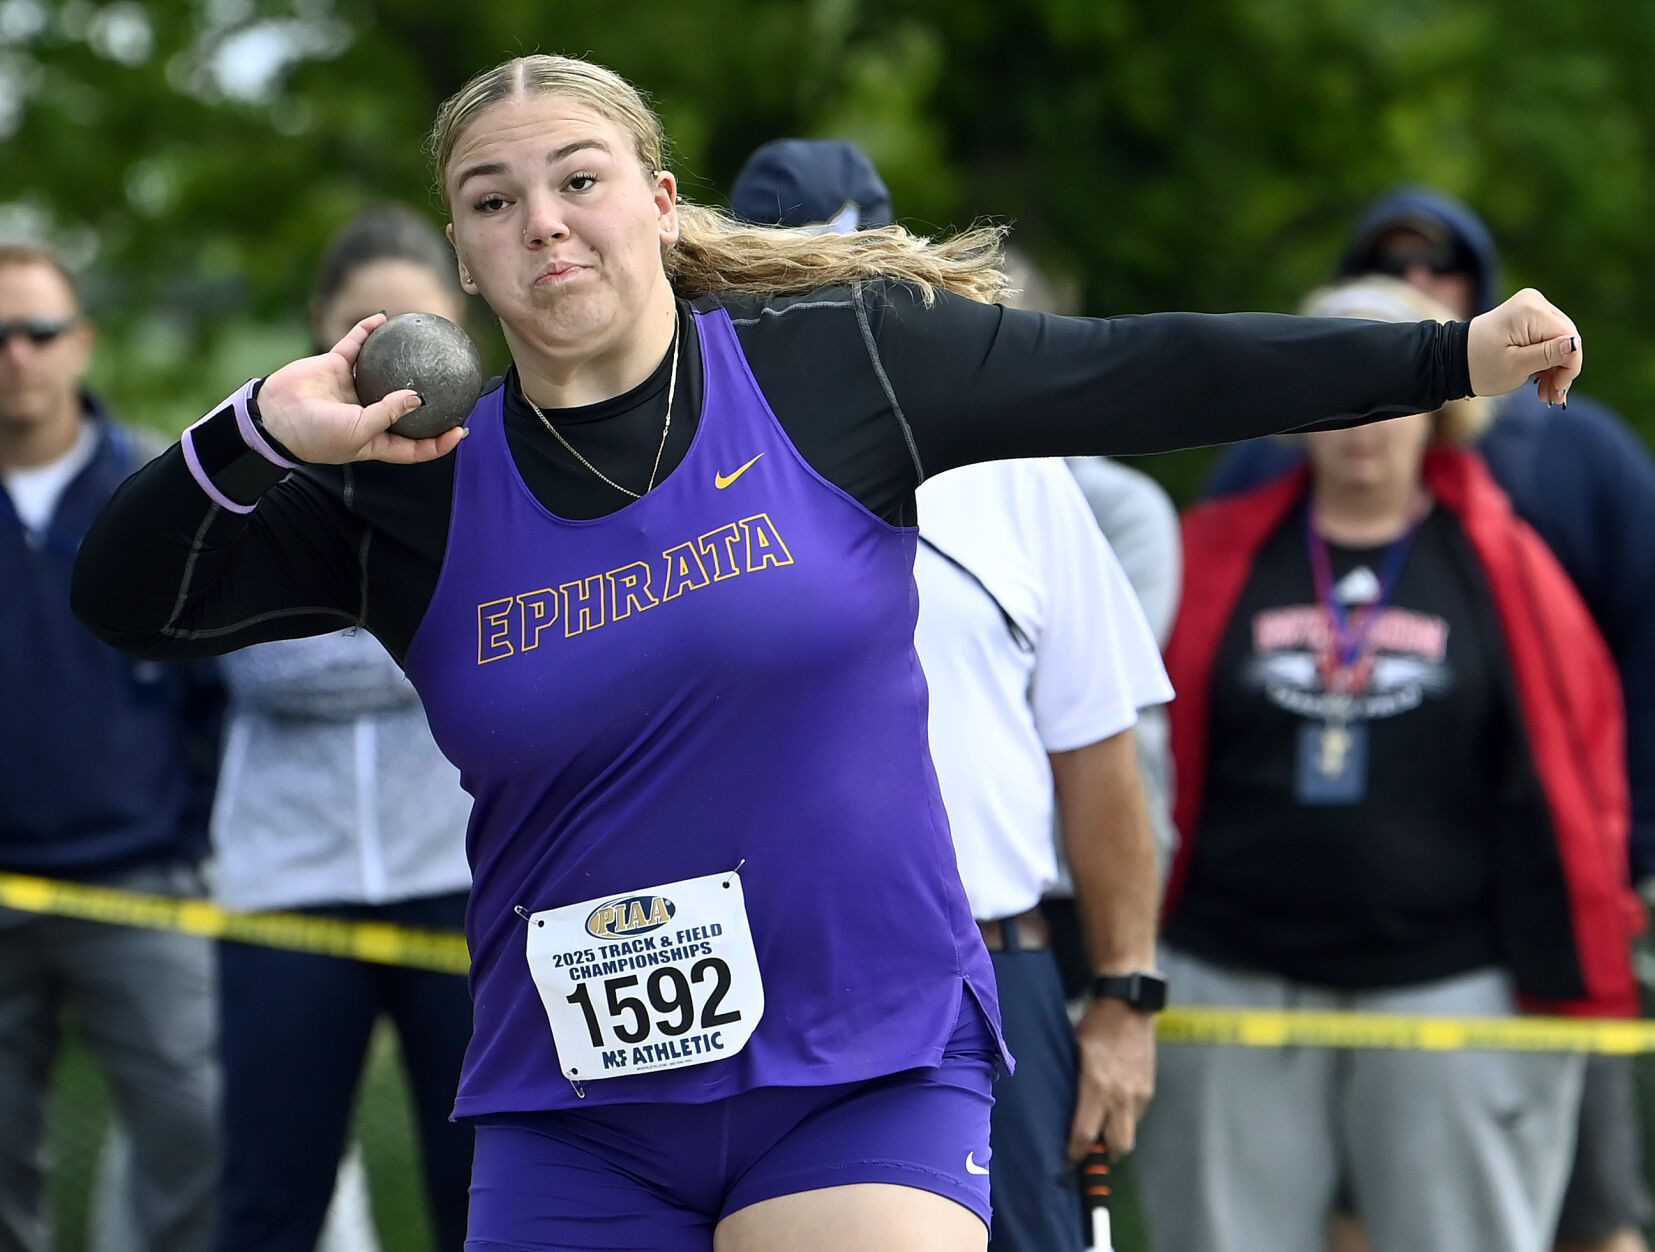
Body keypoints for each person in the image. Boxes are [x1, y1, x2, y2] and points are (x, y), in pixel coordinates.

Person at [68, 53, 1583, 1252]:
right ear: (460, 258)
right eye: (491, 199)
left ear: (659, 202)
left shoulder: (835, 366)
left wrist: (1441, 353)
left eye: (579, 178)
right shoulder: (412, 491)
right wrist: (262, 427)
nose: (542, 221)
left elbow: (1143, 367)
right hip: (570, 1103)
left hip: (861, 1064)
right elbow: (128, 599)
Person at [1136, 275, 1638, 1252]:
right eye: (1334, 386)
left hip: (1450, 987)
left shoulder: (1507, 563)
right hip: (1231, 976)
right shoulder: (1212, 549)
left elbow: (1581, 774)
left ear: (1441, 403)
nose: (1361, 420)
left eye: (1388, 388)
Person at [731, 141, 1171, 1252]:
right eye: (788, 284)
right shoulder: (687, 467)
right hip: (764, 985)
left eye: (851, 278)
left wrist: (1123, 997)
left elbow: (1097, 748)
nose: (826, 311)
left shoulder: (1014, 465)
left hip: (988, 972)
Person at [209, 204, 477, 1252]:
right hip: (286, 886)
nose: (401, 358)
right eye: (373, 328)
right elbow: (255, 661)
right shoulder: (258, 464)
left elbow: (528, 636)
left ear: (459, 323)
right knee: (272, 1200)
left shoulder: (493, 466)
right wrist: (437, 641)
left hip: (459, 880)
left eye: (422, 325)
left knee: (479, 1190)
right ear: (325, 326)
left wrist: (403, 636)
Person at [0, 243, 222, 1252]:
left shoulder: (152, 492)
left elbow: (215, 690)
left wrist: (190, 838)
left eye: (39, 331)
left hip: (141, 886)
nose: (17, 354)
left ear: (80, 342)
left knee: (197, 1141)